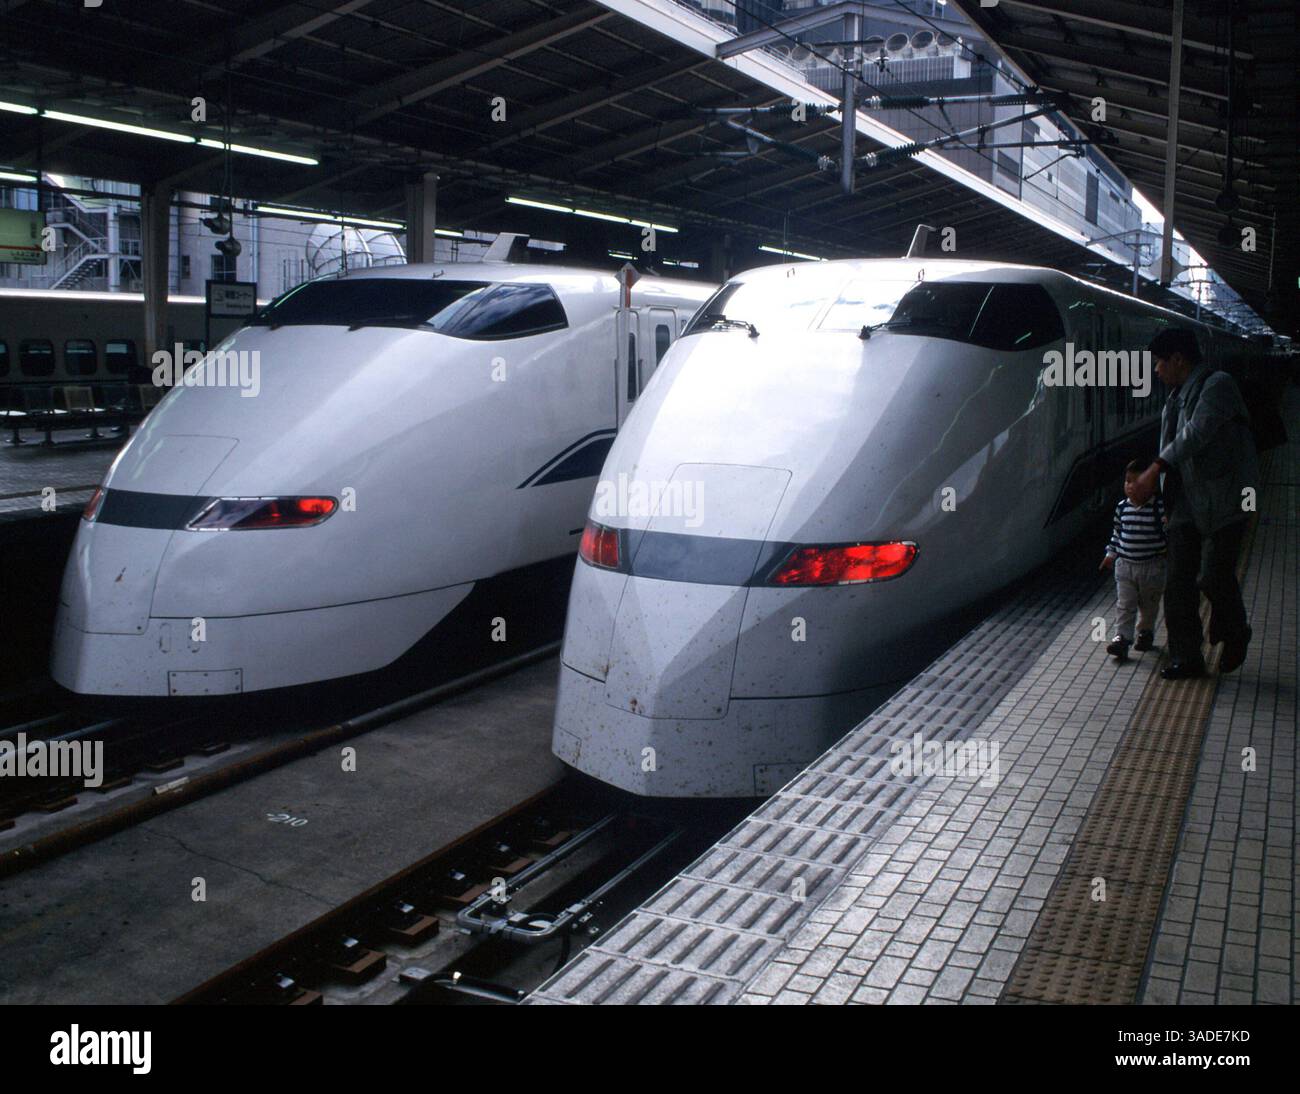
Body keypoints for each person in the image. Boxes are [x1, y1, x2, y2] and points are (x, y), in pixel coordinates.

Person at [1127, 329, 1259, 679]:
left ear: (1178, 360)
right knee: (1178, 583)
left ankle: (1235, 631)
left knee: (1214, 576)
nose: (1156, 370)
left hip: (1229, 499)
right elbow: (1171, 441)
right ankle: (1187, 656)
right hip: (1187, 501)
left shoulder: (1218, 385)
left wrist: (1155, 469)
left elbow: (1196, 434)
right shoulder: (1175, 397)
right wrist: (1160, 491)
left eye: (1159, 362)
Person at [1101, 460, 1167, 662]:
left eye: (1137, 482)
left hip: (1152, 567)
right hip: (1125, 566)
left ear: (1153, 486)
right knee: (1125, 604)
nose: (1130, 486)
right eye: (1127, 481)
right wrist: (1110, 555)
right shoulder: (1122, 508)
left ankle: (1145, 631)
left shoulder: (1158, 508)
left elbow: (1167, 535)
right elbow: (1117, 533)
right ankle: (1122, 639)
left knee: (1149, 605)